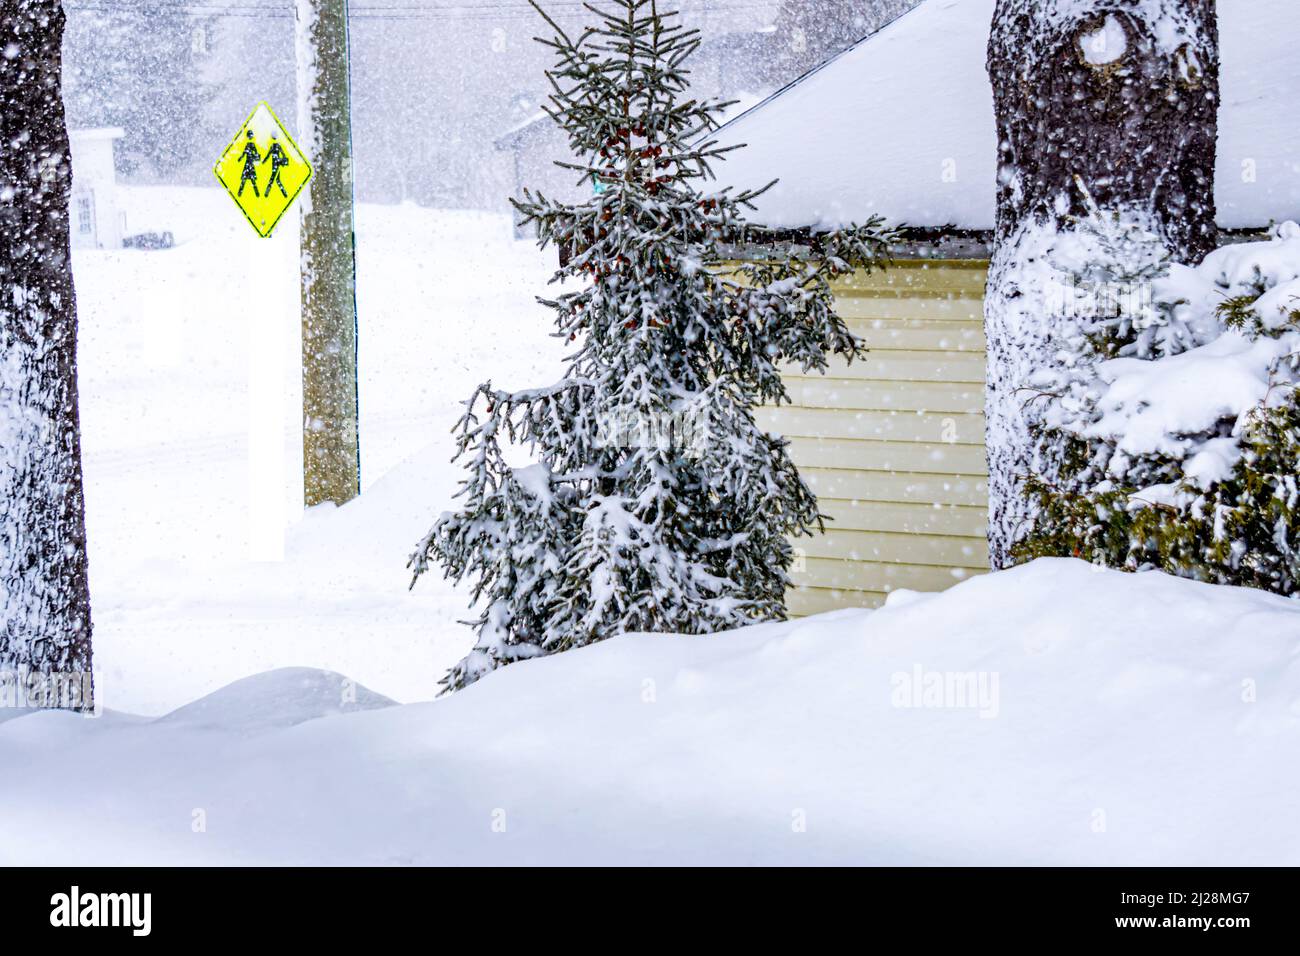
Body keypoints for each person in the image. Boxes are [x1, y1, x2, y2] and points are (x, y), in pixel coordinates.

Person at [237, 130, 261, 197]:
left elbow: (255, 153)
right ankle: (240, 193)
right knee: (245, 179)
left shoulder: (252, 145)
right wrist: (240, 158)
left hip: (250, 163)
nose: (250, 137)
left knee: (251, 179)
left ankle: (257, 194)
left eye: (250, 135)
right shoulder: (248, 145)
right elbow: (244, 153)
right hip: (248, 163)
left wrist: (253, 156)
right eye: (249, 135)